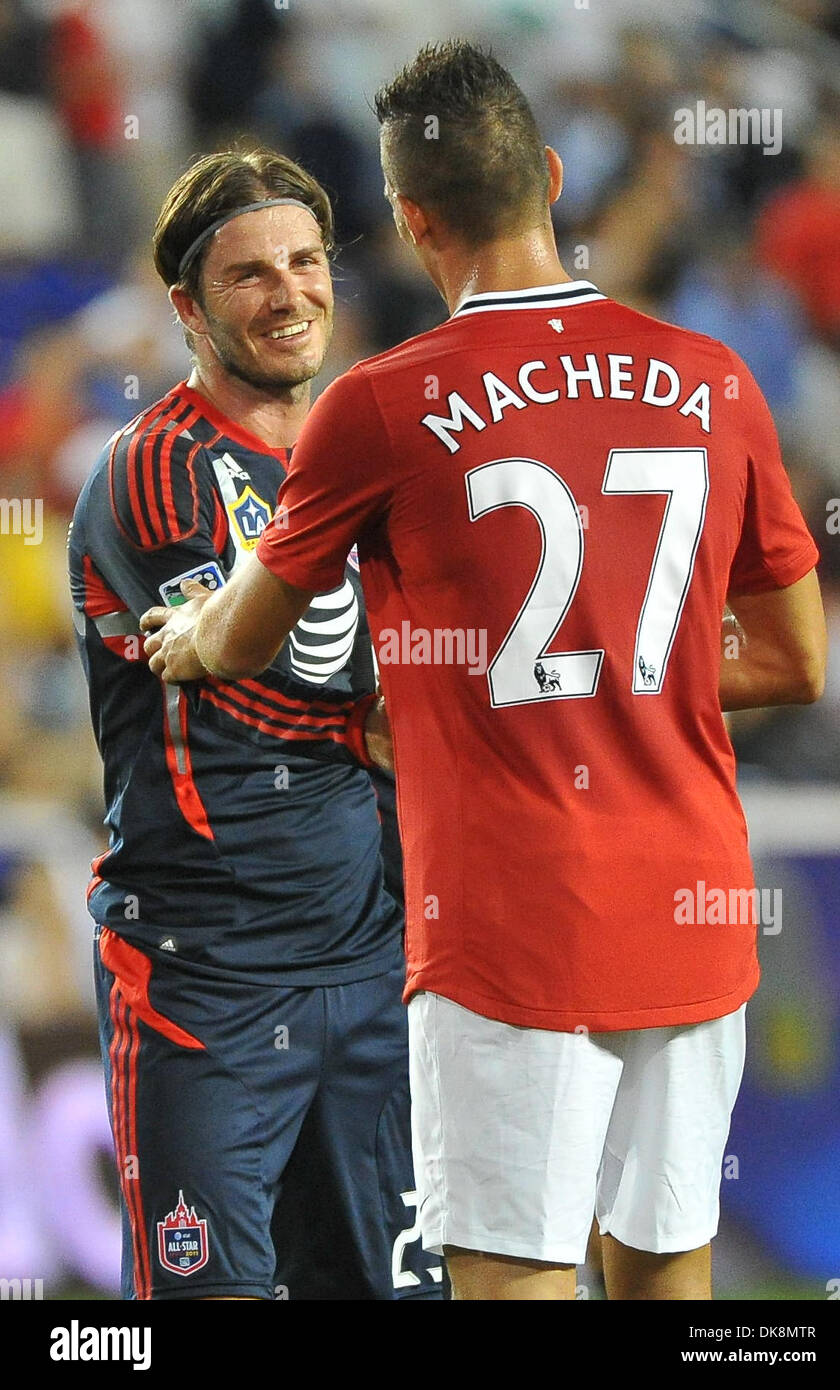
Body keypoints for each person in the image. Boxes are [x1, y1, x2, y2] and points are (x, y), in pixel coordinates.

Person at [144, 45, 826, 1301]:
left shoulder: (381, 405)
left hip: (511, 922)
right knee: (670, 1276)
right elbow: (793, 657)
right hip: (692, 900)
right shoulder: (712, 379)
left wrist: (186, 639)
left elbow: (241, 638)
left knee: (510, 1280)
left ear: (408, 222)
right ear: (552, 177)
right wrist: (628, 675)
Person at [69, 146, 440, 1301]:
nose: (288, 294)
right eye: (248, 276)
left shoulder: (370, 456)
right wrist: (400, 699)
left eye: (305, 262)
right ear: (185, 306)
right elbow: (248, 671)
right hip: (205, 988)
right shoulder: (153, 468)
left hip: (374, 968)